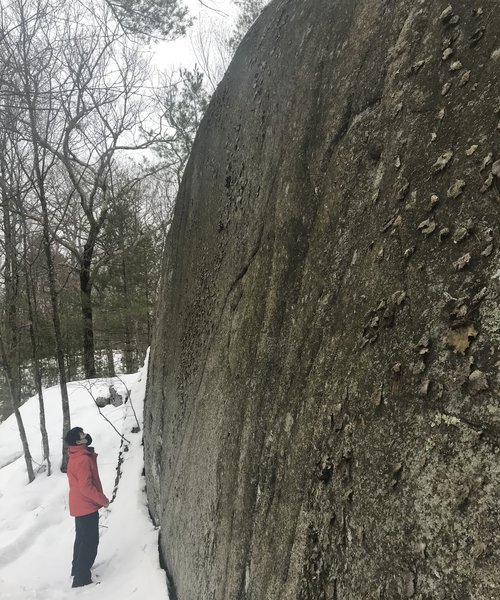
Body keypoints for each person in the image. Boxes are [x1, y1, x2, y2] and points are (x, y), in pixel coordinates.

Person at [65, 427, 109, 588]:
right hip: (86, 505)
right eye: (83, 435)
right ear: (78, 442)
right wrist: (102, 500)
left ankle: (77, 571)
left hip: (79, 504)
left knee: (81, 540)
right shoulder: (82, 459)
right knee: (90, 541)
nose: (86, 436)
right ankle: (82, 579)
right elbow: (86, 487)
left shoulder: (75, 455)